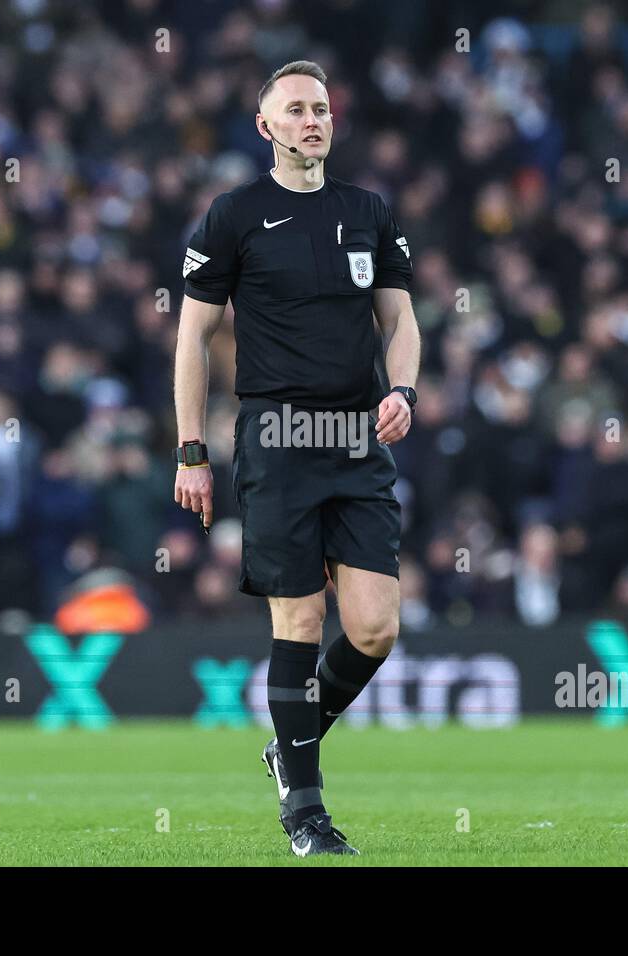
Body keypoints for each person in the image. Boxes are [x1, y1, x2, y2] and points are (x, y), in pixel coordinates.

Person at [173, 61, 420, 856]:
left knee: (377, 627)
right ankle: (306, 815)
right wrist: (190, 451)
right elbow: (192, 340)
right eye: (295, 110)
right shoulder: (233, 216)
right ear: (266, 127)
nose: (312, 120)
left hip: (356, 436)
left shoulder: (368, 212)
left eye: (320, 108)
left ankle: (292, 741)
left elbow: (402, 320)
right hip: (276, 436)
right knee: (301, 618)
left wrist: (405, 391)